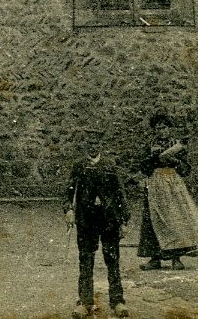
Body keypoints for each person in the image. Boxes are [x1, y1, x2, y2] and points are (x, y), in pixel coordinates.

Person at [63, 132, 131, 316]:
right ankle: (84, 302)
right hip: (86, 219)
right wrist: (69, 210)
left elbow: (120, 193)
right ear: (84, 145)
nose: (93, 146)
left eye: (96, 143)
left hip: (109, 219)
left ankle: (117, 301)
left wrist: (124, 220)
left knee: (112, 260)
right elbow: (69, 191)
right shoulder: (79, 166)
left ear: (101, 144)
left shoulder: (110, 165)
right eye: (89, 143)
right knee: (86, 260)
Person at [137, 112, 198, 270]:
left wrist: (173, 160)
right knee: (154, 219)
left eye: (165, 127)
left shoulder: (178, 145)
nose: (162, 131)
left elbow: (186, 169)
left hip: (173, 184)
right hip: (155, 184)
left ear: (169, 128)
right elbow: (144, 167)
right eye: (158, 128)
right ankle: (155, 258)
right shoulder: (150, 145)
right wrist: (153, 160)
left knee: (175, 218)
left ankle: (176, 257)